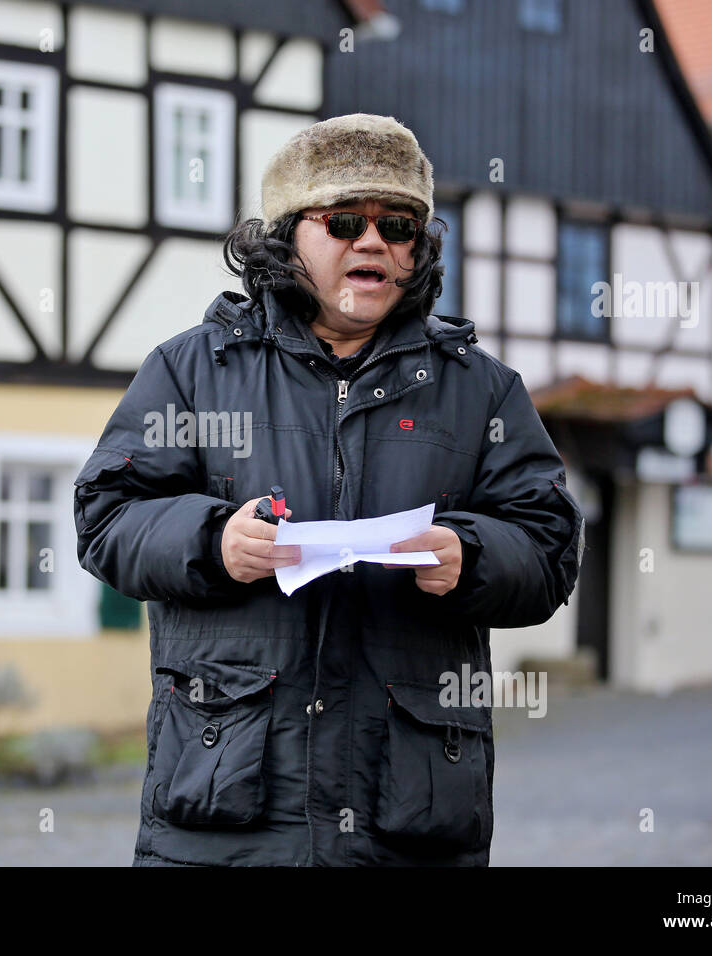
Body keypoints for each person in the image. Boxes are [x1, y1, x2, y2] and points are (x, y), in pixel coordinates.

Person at [73, 113, 584, 866]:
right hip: (224, 813)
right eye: (345, 220)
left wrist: (470, 557)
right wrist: (212, 542)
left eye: (399, 226)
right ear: (286, 237)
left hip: (408, 824)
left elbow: (549, 549)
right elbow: (106, 518)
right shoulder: (191, 370)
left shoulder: (483, 392)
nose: (373, 242)